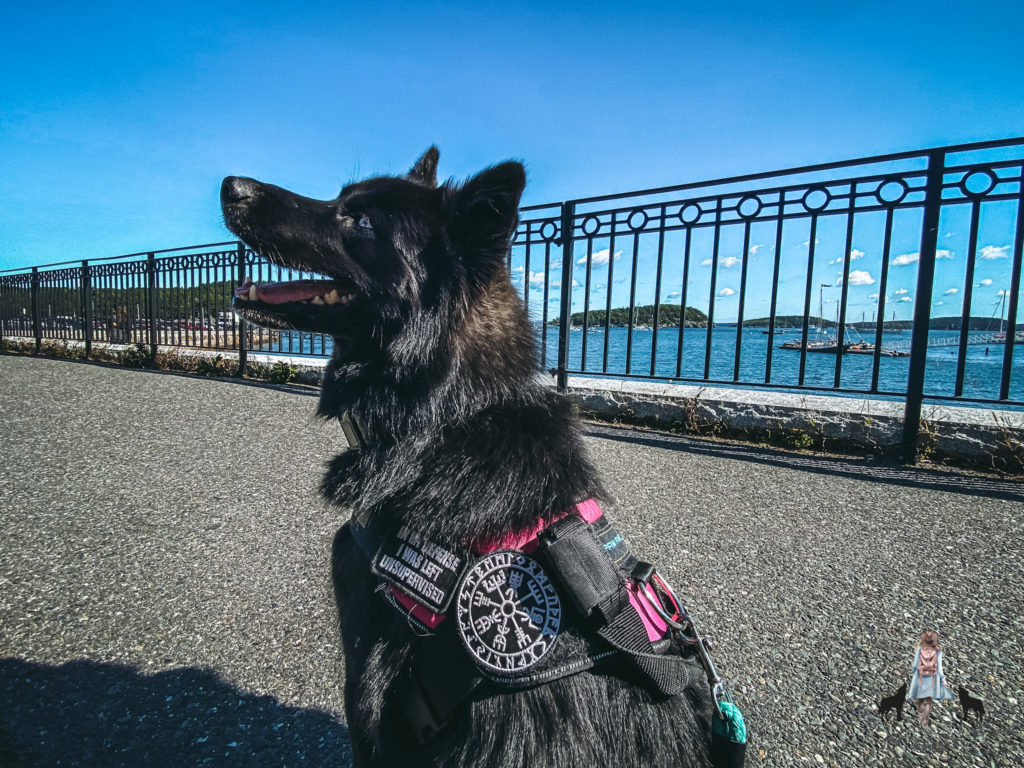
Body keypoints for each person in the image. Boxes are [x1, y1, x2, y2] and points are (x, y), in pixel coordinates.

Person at [907, 630, 954, 726]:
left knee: (920, 698)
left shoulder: (920, 648)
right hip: (932, 676)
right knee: (928, 699)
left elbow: (915, 663)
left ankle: (921, 714)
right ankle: (926, 718)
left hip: (920, 675)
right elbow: (939, 667)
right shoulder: (938, 651)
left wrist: (914, 671)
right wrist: (943, 678)